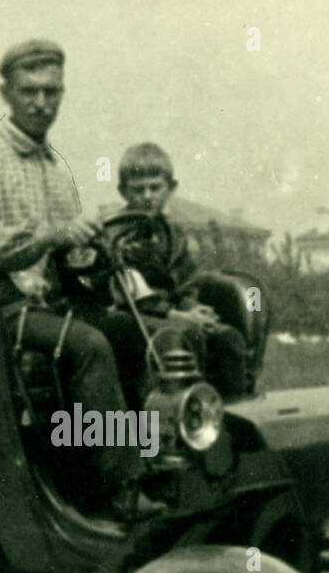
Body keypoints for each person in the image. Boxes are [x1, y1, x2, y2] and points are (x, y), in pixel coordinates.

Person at [0, 40, 161, 520]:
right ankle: (119, 490)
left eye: (52, 92)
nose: (42, 103)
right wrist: (53, 235)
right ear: (7, 94)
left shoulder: (58, 170)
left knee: (136, 335)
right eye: (30, 92)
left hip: (46, 305)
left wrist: (94, 249)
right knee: (90, 346)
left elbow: (68, 258)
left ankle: (147, 462)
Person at [93, 143, 251, 410]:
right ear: (123, 191)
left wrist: (193, 307)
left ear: (170, 188)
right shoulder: (115, 233)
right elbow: (129, 291)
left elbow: (185, 281)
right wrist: (177, 315)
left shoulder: (172, 234)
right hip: (132, 314)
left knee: (229, 338)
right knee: (185, 334)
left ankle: (233, 415)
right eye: (138, 189)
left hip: (174, 313)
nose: (147, 196)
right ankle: (181, 414)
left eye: (155, 188)